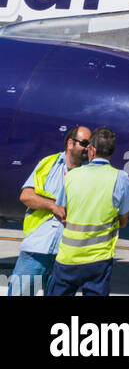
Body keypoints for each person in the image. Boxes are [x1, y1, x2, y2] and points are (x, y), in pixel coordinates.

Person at [45, 126, 129, 297]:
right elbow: (123, 221)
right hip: (98, 260)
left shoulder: (71, 176)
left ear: (92, 150)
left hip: (68, 258)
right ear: (111, 151)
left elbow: (63, 212)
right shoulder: (120, 178)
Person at [8, 124, 92, 296]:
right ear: (70, 144)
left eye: (90, 145)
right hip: (36, 249)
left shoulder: (90, 174)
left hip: (66, 254)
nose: (87, 148)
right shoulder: (49, 163)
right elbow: (26, 196)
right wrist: (53, 206)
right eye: (84, 143)